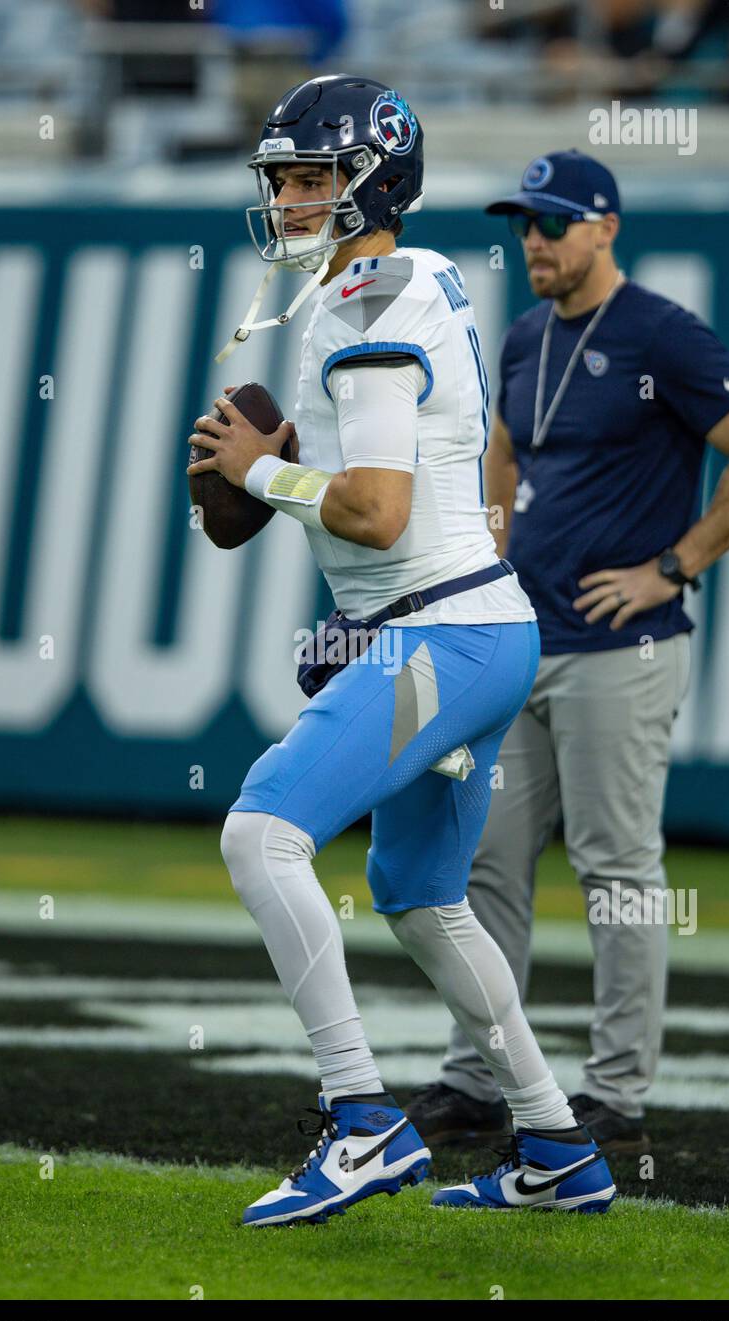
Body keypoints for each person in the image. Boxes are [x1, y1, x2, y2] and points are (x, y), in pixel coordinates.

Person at [188, 83, 616, 1225]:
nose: (287, 198)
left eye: (310, 175)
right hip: (468, 626)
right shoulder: (385, 288)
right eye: (278, 178)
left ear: (372, 178)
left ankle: (362, 1119)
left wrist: (258, 474)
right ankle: (556, 1145)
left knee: (261, 831)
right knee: (421, 897)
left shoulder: (372, 297)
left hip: (448, 628)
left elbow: (374, 513)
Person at [407, 149, 729, 1153]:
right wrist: (486, 556)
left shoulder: (660, 332)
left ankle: (614, 1091)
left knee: (614, 867)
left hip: (623, 645)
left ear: (603, 228)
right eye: (524, 222)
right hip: (524, 638)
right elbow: (500, 452)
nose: (533, 238)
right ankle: (476, 1077)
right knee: (483, 862)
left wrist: (676, 564)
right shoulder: (528, 338)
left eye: (552, 221)